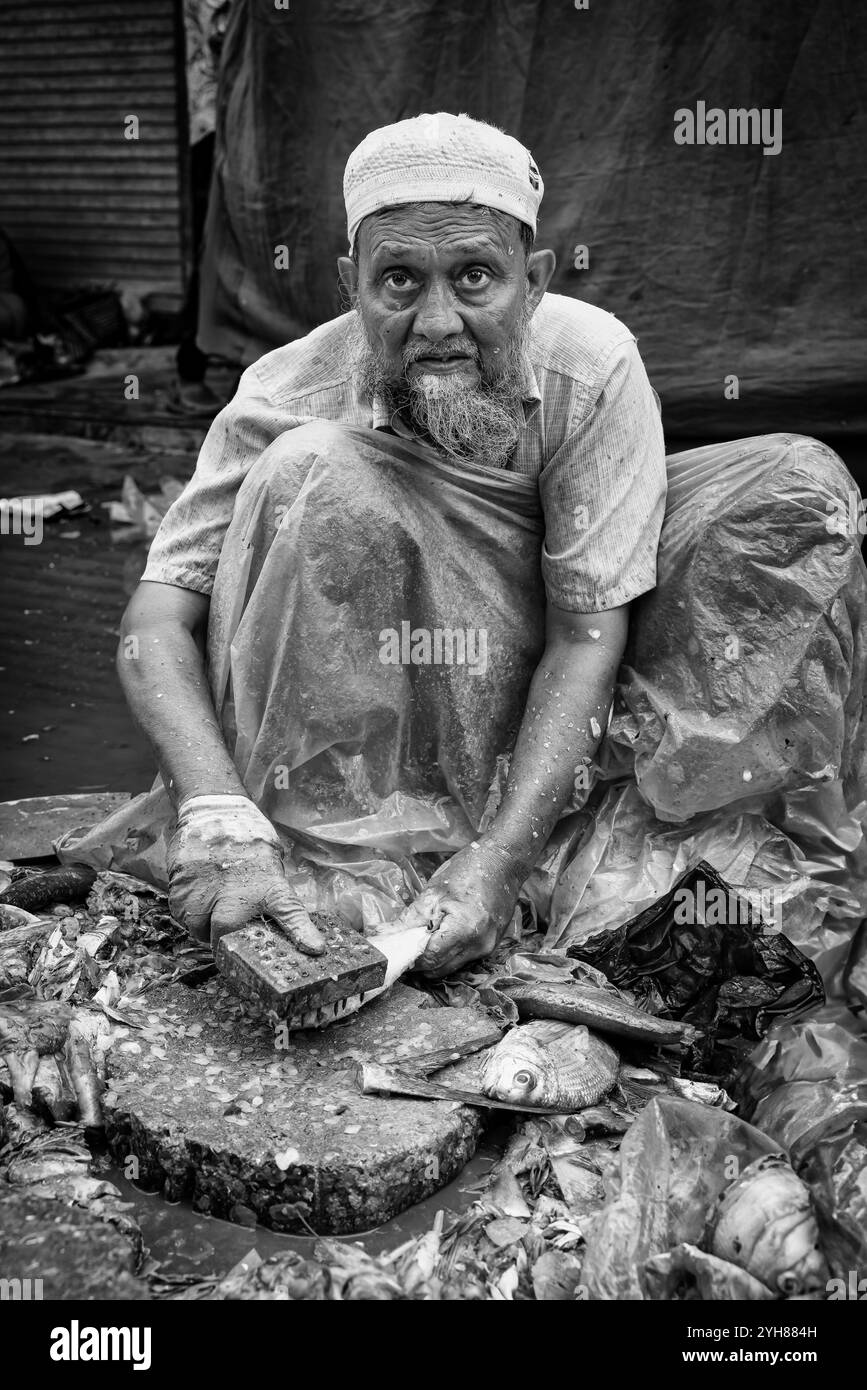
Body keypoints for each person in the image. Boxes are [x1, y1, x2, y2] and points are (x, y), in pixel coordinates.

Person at [110, 112, 667, 975]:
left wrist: (498, 861)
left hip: (514, 686)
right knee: (317, 471)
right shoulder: (287, 390)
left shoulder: (589, 369)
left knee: (784, 486)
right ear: (350, 285)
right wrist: (214, 808)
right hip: (352, 715)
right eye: (398, 281)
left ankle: (492, 842)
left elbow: (586, 634)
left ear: (536, 280)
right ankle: (316, 849)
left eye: (476, 277)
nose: (438, 321)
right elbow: (155, 621)